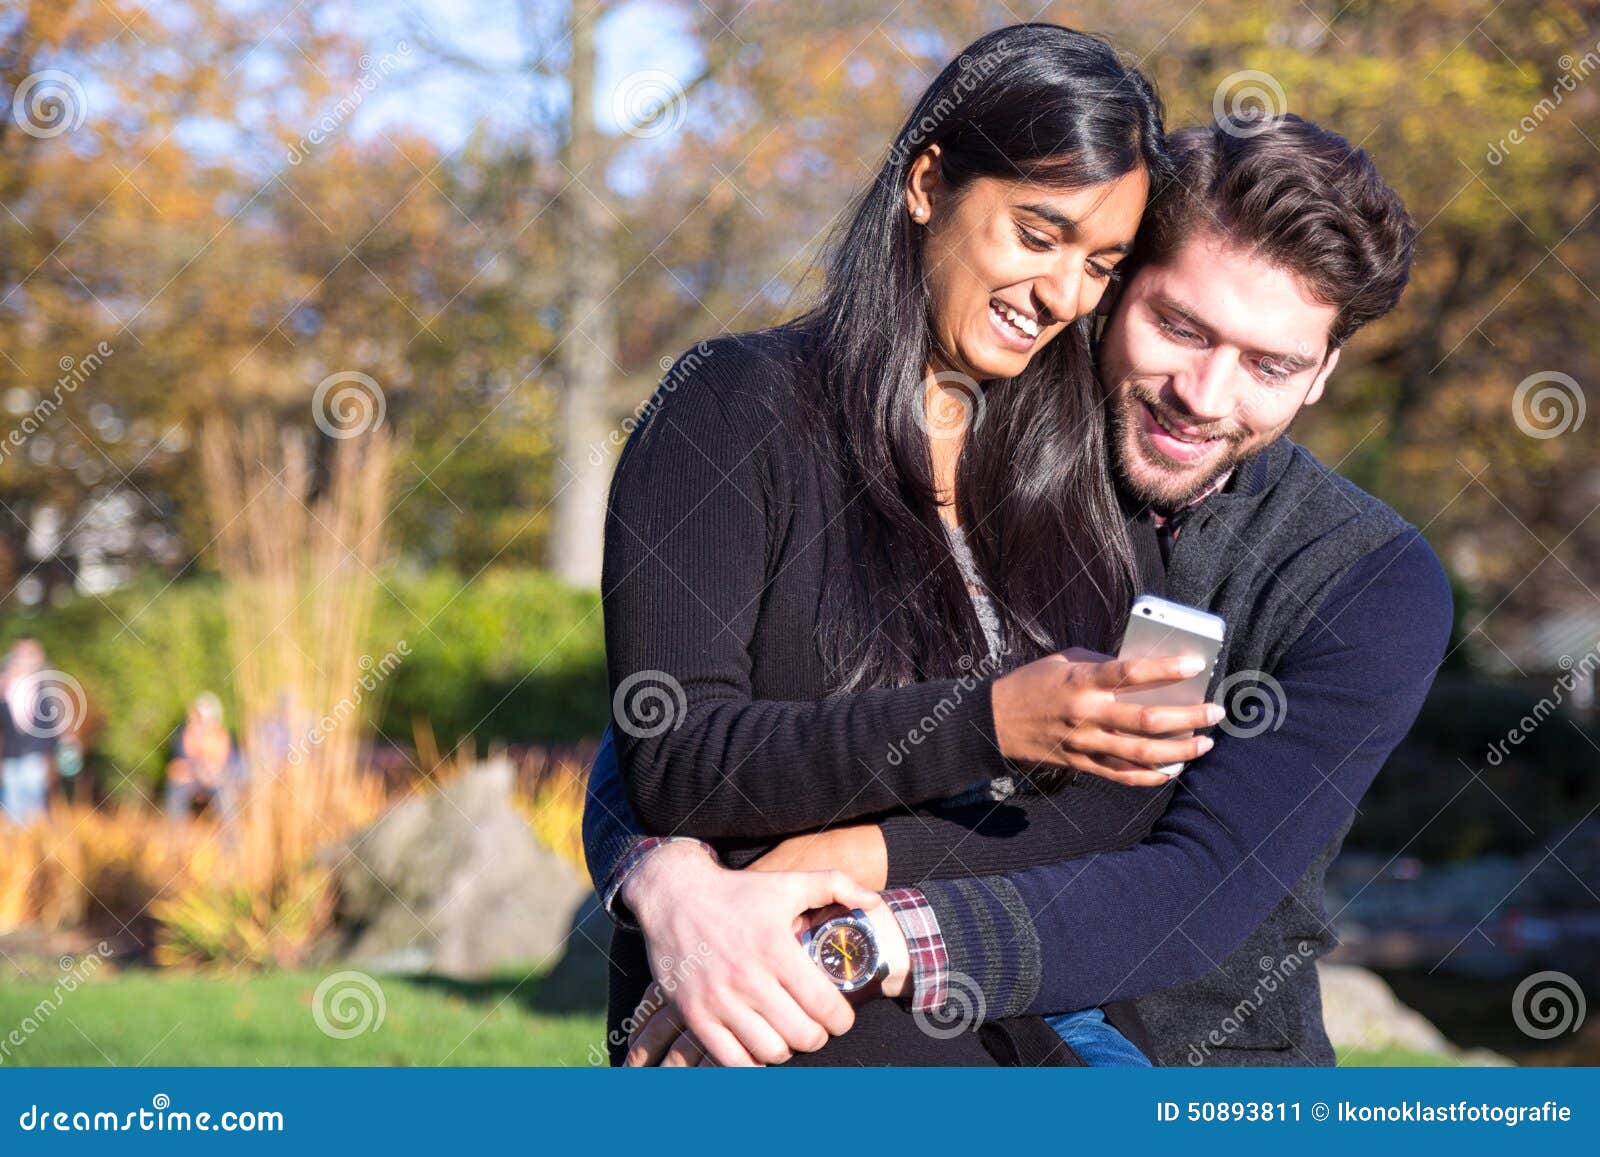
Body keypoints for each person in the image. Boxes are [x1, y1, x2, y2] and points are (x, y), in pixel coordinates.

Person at [589, 107, 1449, 1068]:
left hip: (1192, 1052)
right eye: (1179, 327)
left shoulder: (1370, 583)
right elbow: (674, 724)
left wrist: (841, 922)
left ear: (1323, 372)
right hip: (894, 1020)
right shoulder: (975, 419)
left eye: (1270, 365)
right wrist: (668, 880)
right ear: (1114, 286)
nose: (1204, 396)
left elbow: (1191, 883)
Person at [595, 22, 1218, 1068]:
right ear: (928, 183)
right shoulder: (733, 407)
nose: (1063, 296)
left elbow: (1125, 804)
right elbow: (675, 757)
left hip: (1033, 1004)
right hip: (785, 1005)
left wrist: (858, 862)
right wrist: (990, 724)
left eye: (1100, 266)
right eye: (1038, 234)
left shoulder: (1076, 465)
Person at [0, 638, 57, 825]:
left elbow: (52, 727)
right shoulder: (5, 688)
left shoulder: (46, 690)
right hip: (10, 757)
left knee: (34, 809)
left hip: (36, 757)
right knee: (12, 809)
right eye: (21, 656)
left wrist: (49, 756)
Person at [165, 692, 244, 821]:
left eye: (199, 718)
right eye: (193, 718)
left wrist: (213, 772)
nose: (194, 722)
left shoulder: (221, 736)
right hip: (191, 781)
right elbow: (174, 768)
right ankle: (176, 831)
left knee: (225, 796)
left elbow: (228, 769)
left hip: (217, 783)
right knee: (176, 789)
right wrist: (186, 770)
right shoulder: (183, 735)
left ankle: (231, 832)